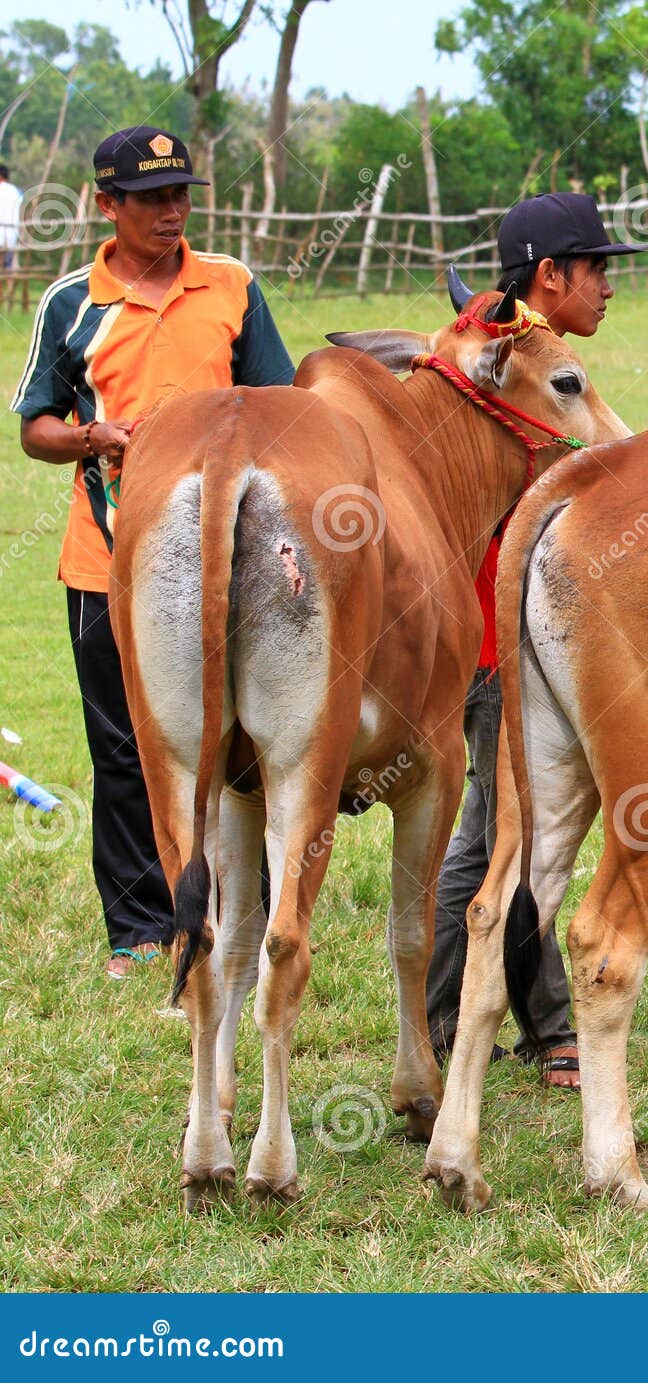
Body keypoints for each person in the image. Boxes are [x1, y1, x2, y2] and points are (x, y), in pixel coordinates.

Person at [10, 126, 294, 979]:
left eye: (181, 195)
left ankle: (251, 913)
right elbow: (34, 428)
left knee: (245, 737)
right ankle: (140, 928)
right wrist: (92, 433)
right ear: (107, 205)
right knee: (128, 746)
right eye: (151, 198)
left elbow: (279, 400)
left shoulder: (233, 285)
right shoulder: (72, 304)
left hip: (234, 560)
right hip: (109, 563)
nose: (172, 212)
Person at [425, 192, 646, 1088]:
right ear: (549, 276)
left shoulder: (526, 353)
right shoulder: (495, 357)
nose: (608, 287)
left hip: (527, 624)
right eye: (597, 268)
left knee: (510, 821)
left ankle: (482, 1014)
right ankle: (473, 1017)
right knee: (495, 830)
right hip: (493, 628)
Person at [0, 164, 22, 270]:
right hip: (12, 235)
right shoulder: (16, 191)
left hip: (1, 233)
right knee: (8, 265)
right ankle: (10, 286)